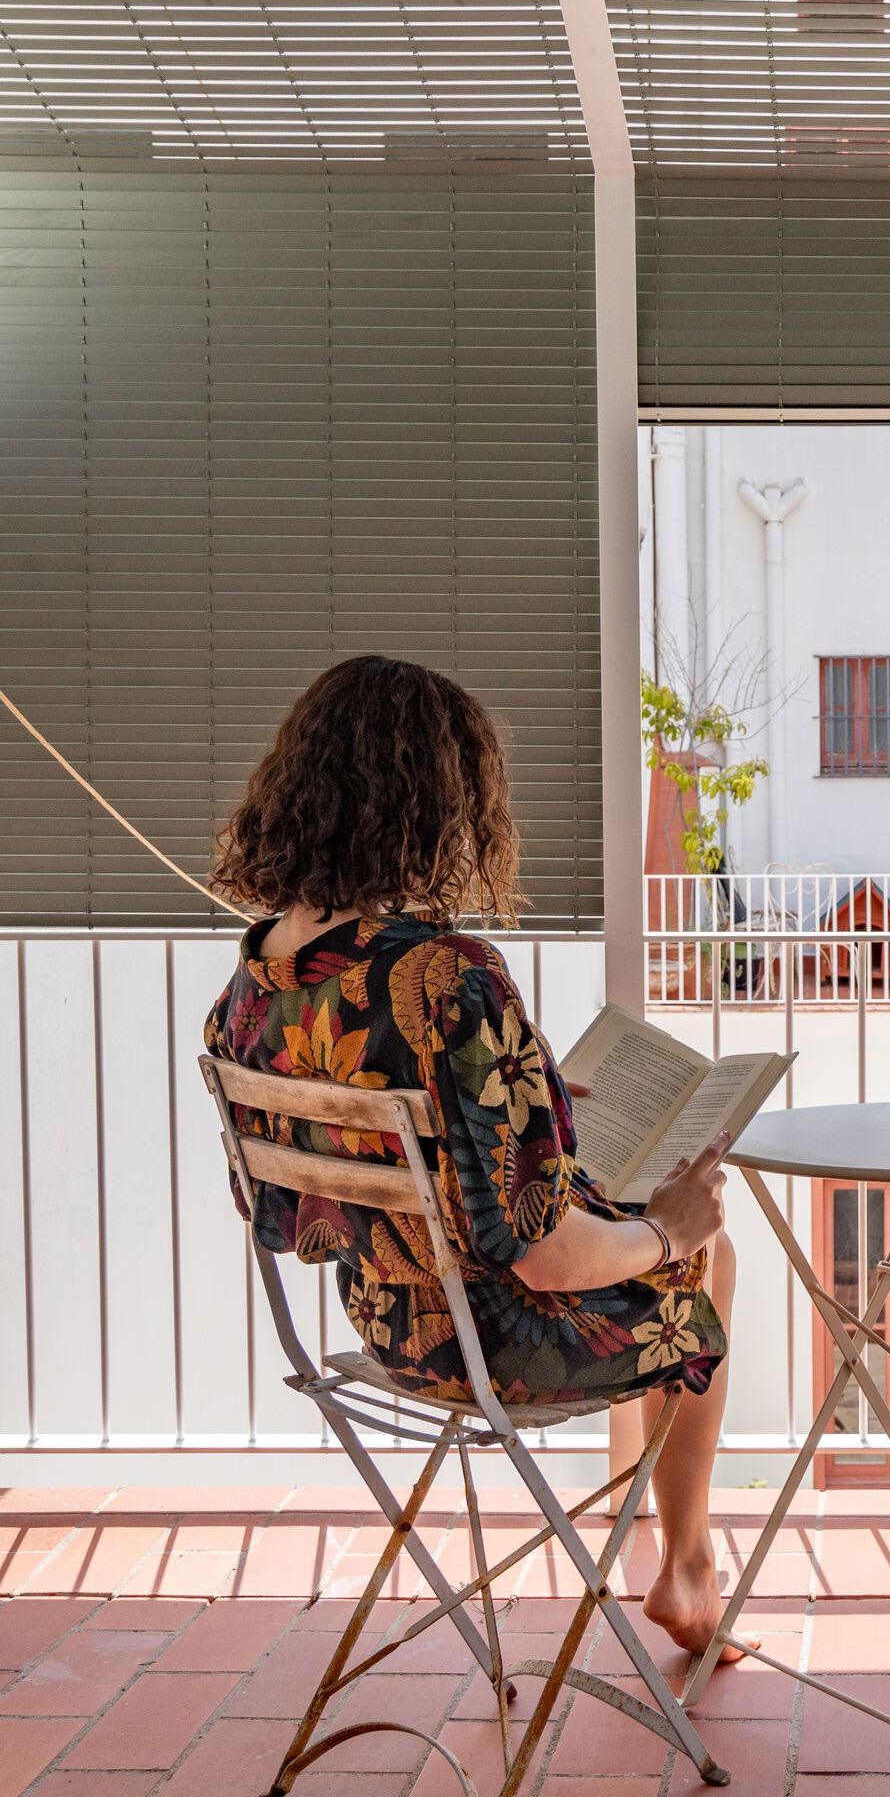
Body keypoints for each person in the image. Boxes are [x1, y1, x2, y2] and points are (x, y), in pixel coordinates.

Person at [203, 652, 741, 1662]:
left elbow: (286, 1202)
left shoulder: (258, 974)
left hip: (385, 1322)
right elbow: (540, 1260)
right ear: (438, 803)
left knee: (666, 1236)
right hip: (493, 1348)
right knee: (705, 1259)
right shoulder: (447, 974)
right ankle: (687, 1565)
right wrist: (670, 1228)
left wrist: (518, 1104)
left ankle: (678, 1561)